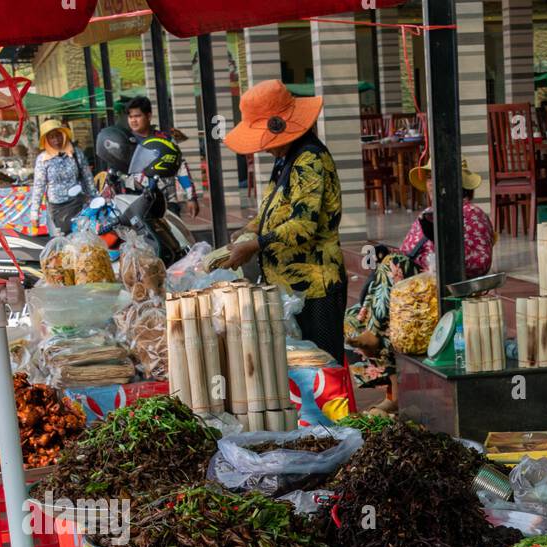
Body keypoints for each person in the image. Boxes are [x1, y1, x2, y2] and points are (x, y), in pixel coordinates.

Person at [344, 158, 494, 394]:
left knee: (393, 269)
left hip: (437, 292)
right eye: (429, 178)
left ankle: (373, 333)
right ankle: (391, 390)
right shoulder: (427, 214)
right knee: (352, 318)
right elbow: (406, 254)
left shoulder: (471, 214)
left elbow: (480, 262)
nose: (431, 183)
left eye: (435, 177)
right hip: (408, 289)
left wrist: (441, 256)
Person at [222, 80, 346, 365]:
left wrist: (255, 245)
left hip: (316, 287)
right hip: (292, 289)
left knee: (323, 369)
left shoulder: (309, 161)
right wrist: (248, 230)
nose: (265, 149)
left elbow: (302, 226)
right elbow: (275, 211)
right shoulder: (285, 160)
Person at [124, 96, 198, 217]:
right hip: (135, 202)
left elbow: (180, 168)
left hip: (167, 202)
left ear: (148, 116)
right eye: (130, 117)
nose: (133, 120)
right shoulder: (126, 142)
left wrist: (191, 197)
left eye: (137, 116)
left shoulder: (165, 139)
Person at [29, 119, 95, 234]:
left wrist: (95, 199)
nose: (56, 140)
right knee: (65, 242)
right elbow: (39, 187)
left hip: (78, 204)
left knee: (83, 239)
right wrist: (34, 213)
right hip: (57, 208)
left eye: (58, 135)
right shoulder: (43, 159)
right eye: (52, 137)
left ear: (63, 135)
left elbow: (87, 178)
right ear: (46, 140)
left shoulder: (76, 153)